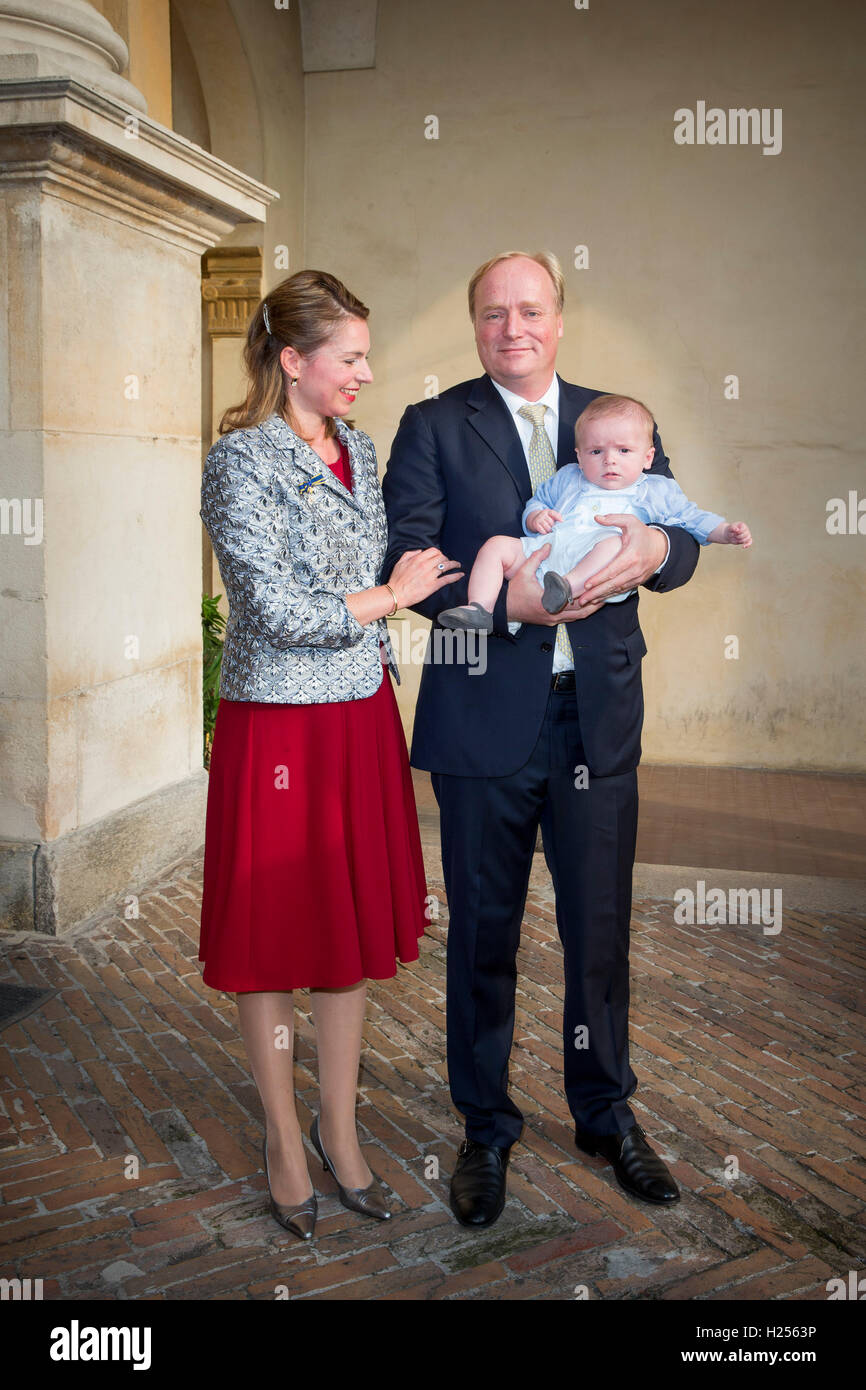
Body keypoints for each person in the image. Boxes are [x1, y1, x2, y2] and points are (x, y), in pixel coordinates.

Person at [382, 250, 700, 1228]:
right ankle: (484, 1127)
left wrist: (655, 547)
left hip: (594, 721)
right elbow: (407, 557)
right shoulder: (434, 423)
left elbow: (676, 543)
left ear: (558, 317)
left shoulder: (617, 418)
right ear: (473, 326)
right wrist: (503, 600)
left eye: (528, 310)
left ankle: (604, 1112)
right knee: (482, 935)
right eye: (490, 313)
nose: (510, 327)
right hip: (482, 721)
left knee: (596, 931)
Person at [199, 269, 461, 1241]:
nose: (364, 370)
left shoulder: (359, 444)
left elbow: (391, 565)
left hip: (356, 715)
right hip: (277, 725)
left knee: (344, 936)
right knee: (274, 938)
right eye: (348, 356)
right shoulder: (238, 462)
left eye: (363, 354)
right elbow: (271, 609)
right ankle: (279, 1139)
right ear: (293, 361)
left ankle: (339, 1133)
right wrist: (384, 600)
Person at [439, 392, 751, 630]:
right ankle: (480, 608)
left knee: (616, 543)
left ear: (648, 456)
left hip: (595, 569)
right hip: (549, 551)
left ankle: (567, 589)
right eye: (596, 451)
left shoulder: (654, 488)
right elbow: (539, 502)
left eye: (624, 451)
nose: (609, 460)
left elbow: (690, 518)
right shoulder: (569, 476)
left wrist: (724, 531)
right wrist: (535, 517)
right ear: (579, 455)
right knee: (497, 546)